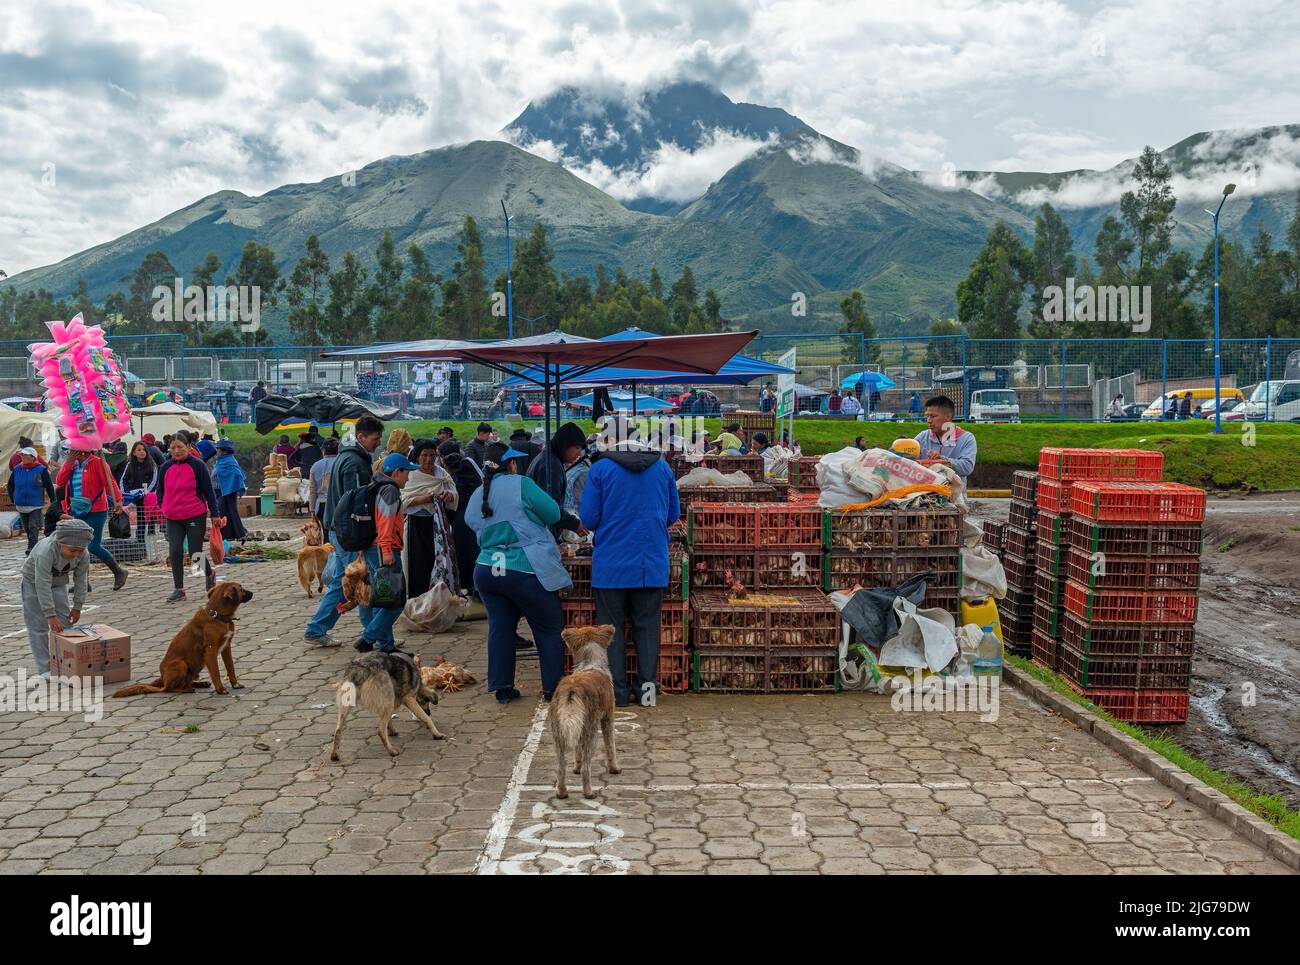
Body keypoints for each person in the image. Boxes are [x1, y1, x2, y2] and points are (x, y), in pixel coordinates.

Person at [580, 429, 680, 707]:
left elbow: (588, 517)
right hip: (651, 564)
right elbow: (673, 514)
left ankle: (618, 695)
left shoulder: (600, 469)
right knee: (647, 628)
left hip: (611, 566)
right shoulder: (662, 468)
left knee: (612, 632)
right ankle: (647, 694)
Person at [465, 442, 569, 703]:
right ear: (510, 464)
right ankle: (553, 688)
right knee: (548, 626)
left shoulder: (479, 493)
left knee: (500, 627)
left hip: (487, 570)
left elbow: (470, 520)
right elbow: (553, 513)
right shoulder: (521, 483)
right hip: (524, 569)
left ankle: (502, 688)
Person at [303, 415, 385, 647]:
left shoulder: (348, 457)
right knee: (360, 581)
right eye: (375, 439)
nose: (377, 443)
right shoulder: (354, 464)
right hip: (349, 532)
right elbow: (357, 503)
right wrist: (366, 535)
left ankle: (316, 629)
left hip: (339, 529)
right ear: (361, 437)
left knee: (344, 582)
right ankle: (375, 635)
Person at [353, 452, 418, 654]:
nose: (408, 477)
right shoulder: (389, 490)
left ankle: (387, 647)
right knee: (396, 601)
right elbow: (385, 522)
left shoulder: (376, 486)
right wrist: (387, 550)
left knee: (383, 600)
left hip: (374, 548)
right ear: (397, 472)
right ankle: (367, 638)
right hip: (384, 550)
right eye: (407, 472)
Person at [21, 517, 93, 677]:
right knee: (38, 626)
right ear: (61, 542)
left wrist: (77, 607)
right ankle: (45, 669)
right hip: (33, 582)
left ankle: (65, 663)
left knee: (64, 624)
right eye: (72, 551)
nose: (76, 555)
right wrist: (50, 614)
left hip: (59, 582)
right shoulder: (45, 551)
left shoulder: (83, 553)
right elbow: (42, 583)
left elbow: (81, 580)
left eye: (80, 551)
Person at [156, 434, 223, 603]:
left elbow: (209, 492)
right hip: (172, 516)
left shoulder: (198, 465)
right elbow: (160, 490)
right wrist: (162, 506)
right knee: (175, 550)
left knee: (195, 553)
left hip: (195, 514)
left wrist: (215, 514)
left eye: (180, 447)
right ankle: (179, 589)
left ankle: (209, 573)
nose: (177, 451)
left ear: (188, 446)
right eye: (173, 448)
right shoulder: (165, 467)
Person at [55, 447, 129, 591]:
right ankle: (83, 582)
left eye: (71, 450)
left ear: (81, 451)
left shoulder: (98, 463)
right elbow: (60, 481)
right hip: (77, 509)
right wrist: (68, 463)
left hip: (96, 509)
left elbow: (110, 483)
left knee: (93, 546)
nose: (68, 452)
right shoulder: (73, 464)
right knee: (80, 546)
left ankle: (118, 571)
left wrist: (118, 500)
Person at [402, 439, 460, 597]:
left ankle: (438, 600)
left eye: (432, 455)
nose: (428, 459)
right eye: (424, 455)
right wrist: (423, 499)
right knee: (418, 565)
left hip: (438, 525)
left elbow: (454, 493)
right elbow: (401, 502)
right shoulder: (410, 475)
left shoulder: (441, 473)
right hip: (416, 526)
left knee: (439, 561)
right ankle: (418, 602)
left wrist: (449, 495)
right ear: (417, 456)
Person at [440, 439, 484, 597]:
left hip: (460, 519)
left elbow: (452, 502)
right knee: (476, 551)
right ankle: (478, 587)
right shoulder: (470, 466)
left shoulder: (449, 477)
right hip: (477, 517)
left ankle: (469, 586)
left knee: (464, 554)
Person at [914, 395, 977, 481]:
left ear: (948, 417)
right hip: (925, 492)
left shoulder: (966, 438)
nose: (928, 420)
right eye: (927, 416)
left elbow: (967, 467)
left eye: (933, 416)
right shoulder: (923, 436)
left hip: (954, 493)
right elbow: (909, 459)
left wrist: (941, 460)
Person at [8, 447, 55, 555]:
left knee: (33, 526)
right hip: (21, 504)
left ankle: (32, 548)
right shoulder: (17, 469)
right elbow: (10, 485)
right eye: (22, 455)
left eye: (25, 455)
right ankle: (33, 544)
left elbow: (49, 486)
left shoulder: (41, 470)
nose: (23, 457)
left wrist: (53, 500)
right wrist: (12, 498)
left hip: (35, 504)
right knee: (27, 528)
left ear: (33, 458)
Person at [118, 442, 158, 542]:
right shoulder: (130, 464)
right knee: (137, 519)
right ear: (134, 453)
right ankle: (138, 542)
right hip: (133, 497)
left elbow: (154, 481)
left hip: (147, 497)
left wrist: (145, 493)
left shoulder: (152, 464)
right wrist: (127, 494)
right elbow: (123, 480)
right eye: (139, 450)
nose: (142, 452)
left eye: (143, 450)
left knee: (146, 518)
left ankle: (147, 540)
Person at [212, 439, 248, 542]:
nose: (216, 451)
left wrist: (231, 485)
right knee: (225, 513)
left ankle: (239, 533)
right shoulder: (221, 460)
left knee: (227, 512)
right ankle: (233, 534)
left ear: (224, 451)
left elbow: (237, 474)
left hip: (227, 490)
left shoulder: (229, 461)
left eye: (218, 449)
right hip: (219, 491)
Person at [309, 437, 339, 528]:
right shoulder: (341, 463)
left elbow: (312, 491)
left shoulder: (315, 466)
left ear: (323, 451)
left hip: (321, 506)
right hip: (338, 504)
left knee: (324, 537)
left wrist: (312, 510)